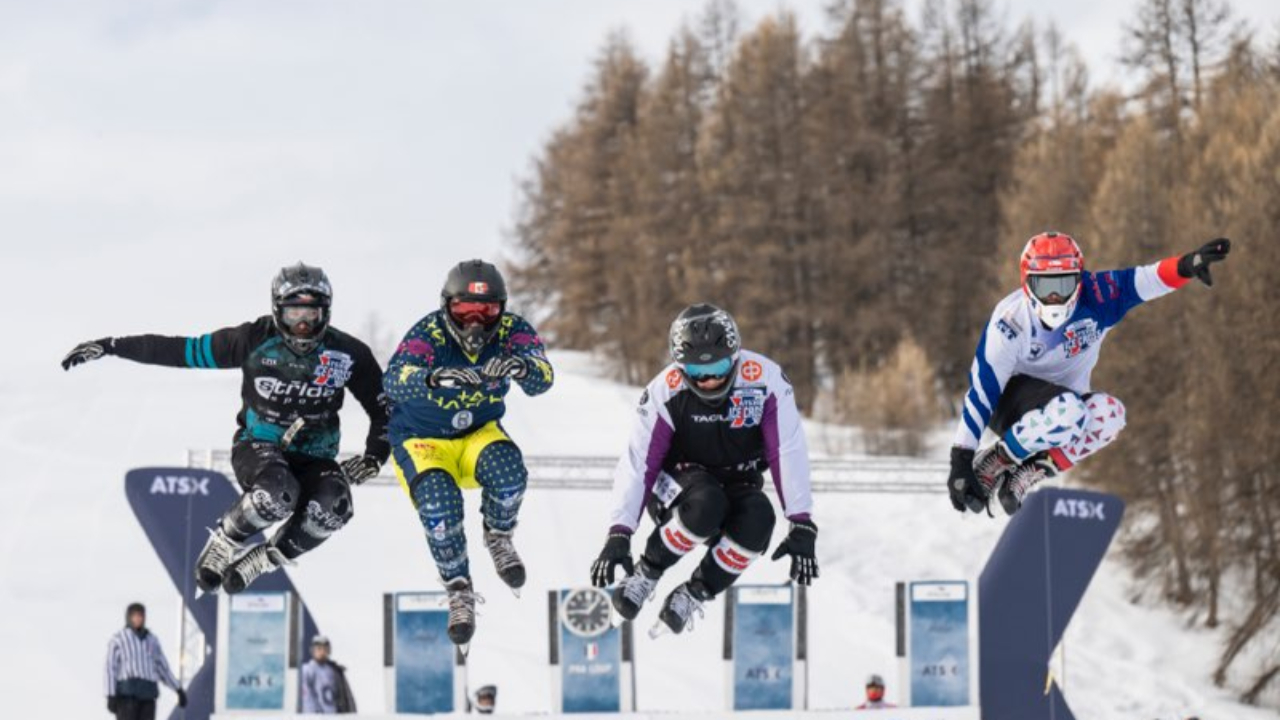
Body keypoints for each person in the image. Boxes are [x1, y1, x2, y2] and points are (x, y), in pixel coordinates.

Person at [63, 263, 390, 593]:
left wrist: (375, 457)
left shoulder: (349, 354)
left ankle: (267, 558)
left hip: (315, 457)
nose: (303, 325)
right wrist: (111, 345)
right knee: (279, 493)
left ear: (326, 313)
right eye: (294, 314)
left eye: (312, 314)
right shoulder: (251, 340)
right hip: (259, 447)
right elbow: (181, 350)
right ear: (277, 311)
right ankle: (225, 540)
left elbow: (385, 411)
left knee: (335, 505)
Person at [947, 233, 1231, 515]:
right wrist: (961, 459)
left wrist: (1186, 266)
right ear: (1026, 283)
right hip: (1010, 401)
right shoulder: (1010, 323)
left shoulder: (1099, 295)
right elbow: (982, 392)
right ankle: (997, 459)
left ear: (1080, 279)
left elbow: (1148, 279)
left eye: (1064, 284)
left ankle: (1029, 471)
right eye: (1045, 286)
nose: (1055, 297)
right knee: (1070, 411)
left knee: (1111, 415)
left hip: (1063, 405)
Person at [590, 304, 818, 636]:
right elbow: (639, 464)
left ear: (736, 356)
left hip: (739, 481)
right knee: (707, 502)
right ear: (679, 367)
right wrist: (620, 532)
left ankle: (694, 593)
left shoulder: (765, 379)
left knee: (760, 518)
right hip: (681, 484)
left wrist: (801, 523)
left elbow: (787, 448)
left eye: (720, 367)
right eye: (696, 372)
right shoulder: (663, 391)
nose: (709, 380)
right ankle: (648, 572)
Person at [383, 260, 554, 647]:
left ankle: (498, 534)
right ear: (447, 307)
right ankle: (458, 587)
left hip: (478, 432)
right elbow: (394, 378)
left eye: (487, 312)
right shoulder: (430, 331)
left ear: (501, 310)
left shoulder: (512, 331)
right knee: (440, 505)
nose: (475, 323)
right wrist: (432, 377)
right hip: (423, 439)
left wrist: (522, 367)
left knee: (510, 471)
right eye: (464, 312)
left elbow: (544, 375)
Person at [104, 603, 187, 720]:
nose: (138, 619)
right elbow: (110, 668)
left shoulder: (152, 640)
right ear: (129, 617)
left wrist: (178, 689)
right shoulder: (119, 639)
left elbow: (162, 668)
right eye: (135, 616)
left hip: (148, 695)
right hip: (127, 696)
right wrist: (110, 695)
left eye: (140, 616)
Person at [300, 635, 355, 714]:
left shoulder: (335, 671)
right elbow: (307, 697)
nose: (322, 652)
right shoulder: (307, 670)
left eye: (325, 649)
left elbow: (344, 697)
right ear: (313, 650)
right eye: (319, 648)